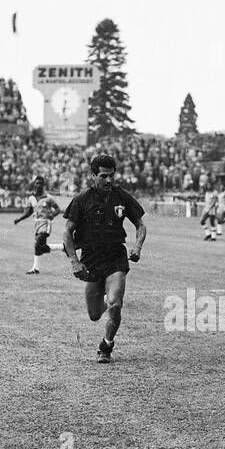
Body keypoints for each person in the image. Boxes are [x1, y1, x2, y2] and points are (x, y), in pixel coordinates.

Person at [62, 154, 146, 363]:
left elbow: (141, 225)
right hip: (90, 260)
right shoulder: (82, 199)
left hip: (115, 257)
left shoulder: (122, 197)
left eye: (111, 176)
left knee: (116, 304)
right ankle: (106, 300)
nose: (108, 180)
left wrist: (137, 247)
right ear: (93, 176)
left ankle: (106, 345)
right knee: (94, 315)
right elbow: (67, 232)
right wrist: (74, 261)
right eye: (103, 176)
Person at [13, 176, 64, 273]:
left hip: (46, 223)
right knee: (41, 247)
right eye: (36, 183)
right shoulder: (31, 198)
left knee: (37, 245)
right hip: (37, 225)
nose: (38, 185)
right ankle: (62, 247)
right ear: (34, 184)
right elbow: (28, 212)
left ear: (43, 185)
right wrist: (18, 219)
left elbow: (57, 209)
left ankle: (35, 268)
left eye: (40, 183)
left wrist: (52, 214)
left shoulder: (48, 198)